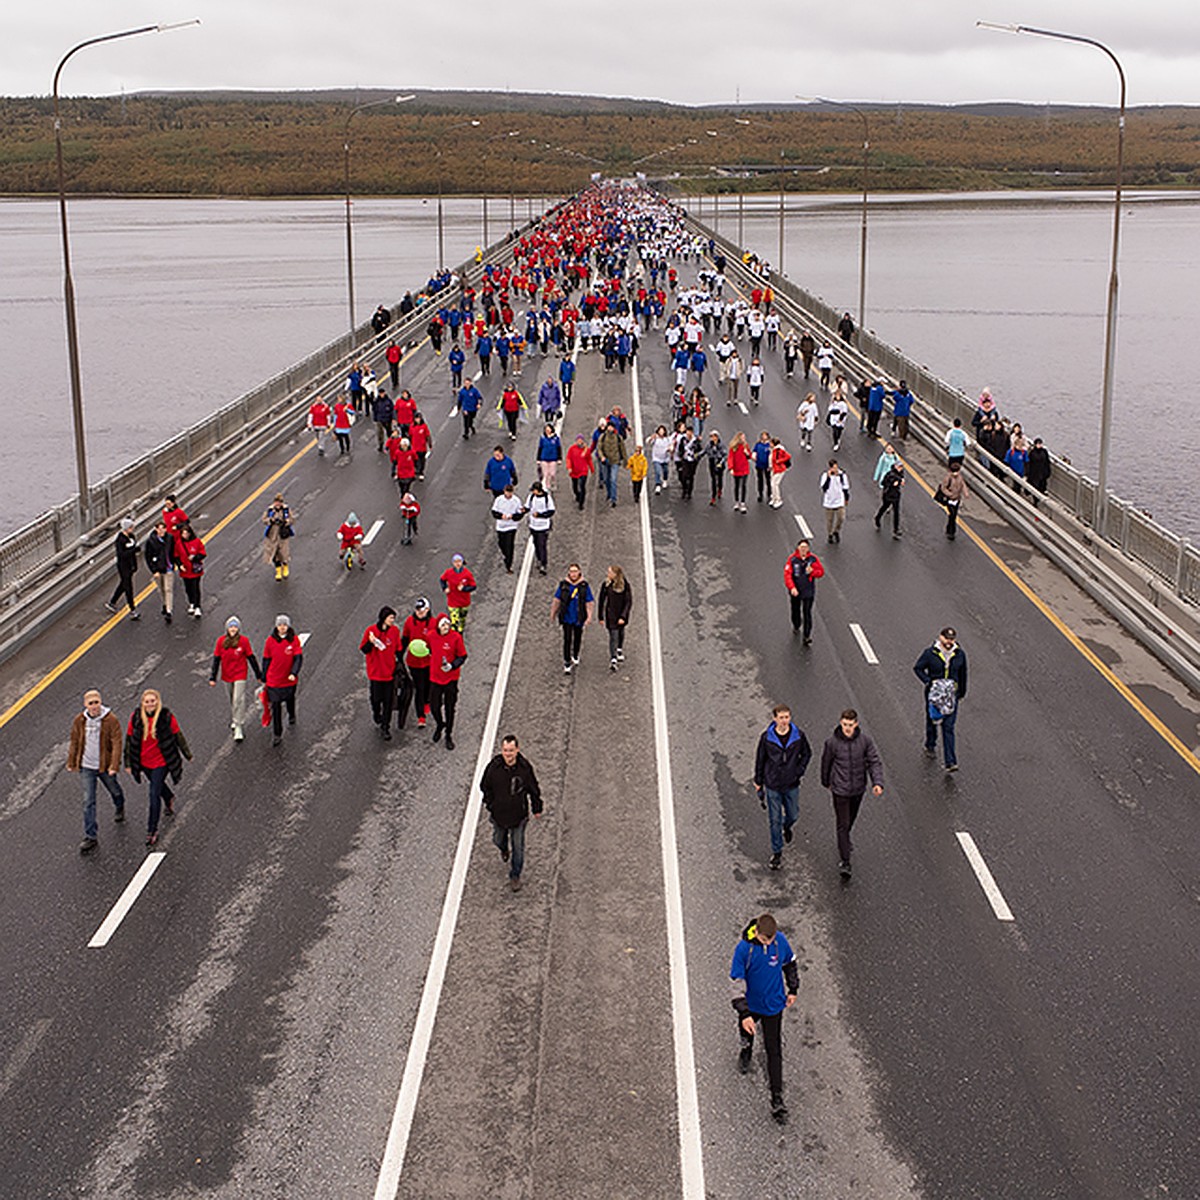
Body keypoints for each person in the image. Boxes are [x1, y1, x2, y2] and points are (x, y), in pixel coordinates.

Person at [730, 913, 798, 1125]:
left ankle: (777, 1099)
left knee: (774, 1050)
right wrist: (744, 1014)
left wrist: (793, 988)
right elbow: (736, 981)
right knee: (746, 1031)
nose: (768, 943)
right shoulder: (744, 949)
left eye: (771, 939)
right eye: (764, 939)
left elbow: (789, 963)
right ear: (757, 932)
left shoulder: (780, 942)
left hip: (774, 1006)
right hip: (751, 1006)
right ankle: (746, 1048)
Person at [820, 709, 884, 879]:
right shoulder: (832, 743)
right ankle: (845, 861)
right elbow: (826, 763)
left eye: (850, 725)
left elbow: (874, 762)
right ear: (841, 723)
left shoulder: (865, 742)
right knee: (843, 823)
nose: (847, 728)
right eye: (845, 724)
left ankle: (845, 841)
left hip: (857, 789)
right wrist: (826, 782)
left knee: (850, 822)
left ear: (856, 724)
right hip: (840, 790)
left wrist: (877, 782)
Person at [124, 688, 191, 847]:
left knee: (153, 794)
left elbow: (177, 736)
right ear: (143, 703)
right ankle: (168, 797)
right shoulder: (136, 718)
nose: (150, 704)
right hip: (144, 762)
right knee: (158, 786)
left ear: (158, 702)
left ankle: (152, 830)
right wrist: (128, 763)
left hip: (161, 761)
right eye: (147, 702)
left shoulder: (166, 717)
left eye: (152, 701)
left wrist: (187, 754)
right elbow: (129, 740)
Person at [480, 734, 543, 892]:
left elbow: (533, 789)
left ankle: (515, 875)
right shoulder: (494, 768)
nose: (508, 754)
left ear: (517, 750)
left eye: (511, 750)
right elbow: (484, 786)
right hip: (499, 815)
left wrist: (537, 808)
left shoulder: (524, 768)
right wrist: (491, 805)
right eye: (505, 750)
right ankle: (503, 849)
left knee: (519, 848)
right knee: (497, 839)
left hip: (518, 816)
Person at [753, 704, 813, 870]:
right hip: (773, 784)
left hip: (791, 784)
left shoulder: (798, 736)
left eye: (787, 717)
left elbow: (807, 754)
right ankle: (777, 852)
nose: (784, 720)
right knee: (774, 820)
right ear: (775, 719)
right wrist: (758, 780)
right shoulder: (766, 738)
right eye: (781, 717)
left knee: (793, 814)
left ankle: (787, 826)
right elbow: (760, 759)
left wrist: (798, 771)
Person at [68, 689, 126, 854]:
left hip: (104, 766)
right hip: (87, 767)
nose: (94, 706)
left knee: (114, 790)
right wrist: (72, 761)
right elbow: (74, 741)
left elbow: (116, 743)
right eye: (91, 703)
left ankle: (120, 805)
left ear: (101, 703)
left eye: (96, 702)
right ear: (85, 705)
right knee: (88, 801)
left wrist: (114, 766)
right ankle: (90, 836)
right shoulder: (79, 720)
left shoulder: (110, 720)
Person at [914, 626, 968, 772]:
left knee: (948, 726)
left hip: (951, 695)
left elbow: (963, 674)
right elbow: (918, 668)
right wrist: (928, 682)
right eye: (946, 639)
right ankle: (930, 743)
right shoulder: (930, 653)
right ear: (940, 637)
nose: (949, 642)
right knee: (932, 720)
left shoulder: (959, 655)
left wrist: (961, 692)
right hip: (934, 695)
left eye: (952, 639)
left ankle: (950, 761)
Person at [209, 615, 262, 743]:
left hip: (240, 674)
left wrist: (258, 674)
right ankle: (235, 718)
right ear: (227, 629)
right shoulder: (221, 642)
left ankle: (238, 726)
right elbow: (216, 660)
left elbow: (251, 658)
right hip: (227, 675)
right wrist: (213, 677)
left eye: (235, 627)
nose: (233, 629)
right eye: (231, 627)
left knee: (238, 699)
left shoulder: (244, 641)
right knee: (232, 699)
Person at [361, 606, 403, 740]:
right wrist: (371, 642)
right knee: (375, 699)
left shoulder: (395, 631)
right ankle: (376, 713)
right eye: (391, 618)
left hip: (389, 673)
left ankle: (386, 727)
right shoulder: (371, 631)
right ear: (384, 618)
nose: (393, 620)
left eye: (393, 618)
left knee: (388, 701)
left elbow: (398, 649)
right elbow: (364, 649)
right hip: (375, 673)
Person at [262, 615, 303, 747]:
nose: (282, 627)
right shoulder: (270, 641)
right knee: (276, 705)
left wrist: (293, 673)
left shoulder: (294, 640)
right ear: (276, 626)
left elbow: (298, 658)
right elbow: (266, 659)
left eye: (284, 625)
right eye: (280, 625)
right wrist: (264, 676)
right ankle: (277, 734)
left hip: (288, 679)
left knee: (290, 698)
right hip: (274, 680)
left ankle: (291, 714)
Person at [428, 612, 467, 751]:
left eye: (448, 624)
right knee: (434, 706)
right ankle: (440, 724)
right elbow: (427, 648)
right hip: (435, 678)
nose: (446, 627)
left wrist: (452, 666)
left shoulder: (455, 637)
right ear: (438, 626)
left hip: (451, 679)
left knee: (450, 708)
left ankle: (448, 735)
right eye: (443, 624)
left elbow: (462, 656)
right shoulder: (431, 636)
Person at [552, 562, 594, 675]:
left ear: (579, 572)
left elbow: (589, 602)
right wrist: (553, 613)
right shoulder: (564, 585)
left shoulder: (584, 586)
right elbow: (557, 600)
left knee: (577, 638)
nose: (573, 574)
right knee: (567, 639)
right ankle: (567, 661)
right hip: (567, 617)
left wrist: (589, 616)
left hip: (579, 618)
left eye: (575, 571)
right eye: (571, 571)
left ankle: (575, 654)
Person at [401, 598, 436, 729]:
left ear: (427, 610)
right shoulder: (409, 622)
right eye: (417, 610)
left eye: (421, 611)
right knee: (419, 688)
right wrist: (399, 654)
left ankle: (427, 701)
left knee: (428, 685)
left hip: (428, 661)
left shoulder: (433, 623)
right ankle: (420, 716)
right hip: (413, 662)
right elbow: (405, 639)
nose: (419, 613)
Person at [783, 539, 824, 644]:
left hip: (808, 592)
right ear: (798, 548)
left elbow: (821, 572)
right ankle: (796, 624)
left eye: (805, 547)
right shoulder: (792, 560)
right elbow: (787, 575)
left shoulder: (813, 559)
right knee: (795, 610)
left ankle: (807, 636)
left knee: (807, 613)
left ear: (808, 549)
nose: (803, 550)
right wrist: (792, 587)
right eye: (801, 547)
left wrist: (813, 572)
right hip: (796, 591)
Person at [597, 564, 633, 671]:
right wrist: (600, 616)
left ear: (615, 574)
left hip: (621, 613)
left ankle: (619, 648)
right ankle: (613, 659)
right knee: (613, 636)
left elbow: (628, 602)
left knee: (620, 633)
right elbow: (602, 600)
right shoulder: (606, 585)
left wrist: (623, 616)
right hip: (610, 615)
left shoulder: (625, 585)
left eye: (610, 572)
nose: (608, 574)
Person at [104, 517, 141, 620]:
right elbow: (121, 554)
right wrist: (133, 550)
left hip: (131, 565)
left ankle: (112, 602)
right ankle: (132, 609)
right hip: (123, 566)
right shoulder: (120, 540)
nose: (132, 529)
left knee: (123, 585)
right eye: (131, 527)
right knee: (128, 587)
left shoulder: (132, 536)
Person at [144, 518, 174, 624]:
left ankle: (169, 611)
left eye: (163, 529)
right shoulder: (151, 541)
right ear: (156, 530)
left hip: (168, 567)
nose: (161, 531)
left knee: (168, 589)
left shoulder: (170, 538)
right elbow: (148, 557)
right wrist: (154, 570)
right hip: (158, 569)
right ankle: (165, 604)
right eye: (159, 529)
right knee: (161, 589)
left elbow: (173, 552)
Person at [173, 521, 206, 617]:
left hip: (195, 570)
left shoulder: (196, 542)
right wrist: (180, 565)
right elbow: (176, 556)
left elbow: (203, 554)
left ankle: (197, 606)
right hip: (185, 570)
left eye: (186, 533)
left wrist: (195, 557)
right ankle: (191, 602)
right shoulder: (179, 544)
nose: (185, 535)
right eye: (183, 533)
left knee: (195, 587)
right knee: (188, 588)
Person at [492, 483, 525, 575]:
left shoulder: (516, 500)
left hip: (511, 526)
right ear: (504, 491)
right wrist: (501, 516)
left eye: (510, 492)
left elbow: (520, 514)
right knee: (501, 543)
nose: (509, 494)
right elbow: (494, 512)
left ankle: (508, 565)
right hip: (501, 526)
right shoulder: (499, 500)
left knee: (509, 545)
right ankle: (506, 555)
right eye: (507, 492)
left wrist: (512, 516)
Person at [439, 554, 477, 631]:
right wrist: (445, 588)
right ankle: (455, 634)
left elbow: (473, 586)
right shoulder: (448, 572)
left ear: (462, 562)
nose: (457, 564)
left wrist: (464, 588)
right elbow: (442, 580)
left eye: (459, 561)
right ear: (453, 563)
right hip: (452, 601)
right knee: (454, 621)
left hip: (464, 601)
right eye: (455, 562)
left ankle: (461, 628)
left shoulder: (467, 574)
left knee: (462, 618)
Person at [525, 481, 555, 575]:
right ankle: (539, 558)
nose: (533, 492)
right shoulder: (531, 497)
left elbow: (551, 511)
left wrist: (540, 515)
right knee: (536, 544)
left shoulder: (547, 498)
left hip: (543, 526)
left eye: (534, 490)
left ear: (538, 490)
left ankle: (543, 563)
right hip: (533, 525)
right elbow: (527, 507)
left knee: (542, 545)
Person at [262, 493, 293, 582]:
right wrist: (271, 520)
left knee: (284, 553)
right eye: (276, 502)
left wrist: (286, 522)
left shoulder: (286, 510)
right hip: (272, 536)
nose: (277, 504)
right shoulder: (270, 510)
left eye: (279, 502)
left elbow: (292, 519)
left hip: (283, 535)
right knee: (275, 555)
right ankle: (278, 571)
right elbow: (264, 519)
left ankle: (285, 567)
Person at [596, 419, 627, 508]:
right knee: (606, 479)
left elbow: (622, 449)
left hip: (615, 461)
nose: (610, 428)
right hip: (605, 462)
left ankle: (613, 498)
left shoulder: (618, 437)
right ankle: (609, 494)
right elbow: (599, 448)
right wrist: (602, 457)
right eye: (609, 427)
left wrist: (625, 461)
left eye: (611, 427)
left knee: (613, 479)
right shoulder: (602, 437)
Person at [819, 460, 849, 542]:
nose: (835, 469)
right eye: (833, 468)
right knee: (830, 520)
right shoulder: (825, 475)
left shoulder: (842, 475)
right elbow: (824, 488)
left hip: (839, 500)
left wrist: (846, 498)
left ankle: (836, 530)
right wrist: (829, 478)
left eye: (836, 467)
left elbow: (845, 487)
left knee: (841, 518)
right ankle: (830, 534)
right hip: (829, 500)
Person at [938, 461, 969, 540]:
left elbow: (963, 484)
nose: (956, 474)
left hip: (957, 499)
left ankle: (949, 529)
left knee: (954, 515)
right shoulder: (948, 478)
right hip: (950, 500)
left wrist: (965, 493)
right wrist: (949, 494)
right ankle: (951, 532)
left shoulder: (960, 477)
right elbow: (943, 488)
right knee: (952, 515)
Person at [874, 461, 905, 538]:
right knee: (884, 507)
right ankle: (877, 518)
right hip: (888, 495)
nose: (900, 468)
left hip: (896, 495)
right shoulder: (890, 474)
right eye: (898, 467)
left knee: (896, 512)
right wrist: (892, 484)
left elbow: (900, 481)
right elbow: (883, 483)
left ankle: (896, 530)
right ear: (895, 466)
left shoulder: (900, 474)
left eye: (901, 467)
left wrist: (899, 482)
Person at [566, 434, 594, 510]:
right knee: (574, 487)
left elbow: (589, 460)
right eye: (578, 440)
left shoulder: (586, 450)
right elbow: (568, 458)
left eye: (581, 440)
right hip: (574, 471)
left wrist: (592, 469)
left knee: (582, 486)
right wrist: (569, 467)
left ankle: (581, 503)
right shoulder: (572, 449)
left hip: (583, 471)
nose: (579, 442)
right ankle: (577, 495)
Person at [727, 431, 751, 512]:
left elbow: (749, 456)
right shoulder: (733, 447)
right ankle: (737, 502)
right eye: (742, 437)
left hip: (744, 468)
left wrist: (747, 453)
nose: (744, 439)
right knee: (736, 486)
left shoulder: (745, 446)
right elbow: (730, 457)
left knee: (743, 485)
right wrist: (731, 468)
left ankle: (743, 503)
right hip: (737, 469)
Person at [768, 437, 791, 509]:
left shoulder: (779, 450)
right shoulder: (773, 450)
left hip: (779, 469)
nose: (769, 444)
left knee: (775, 484)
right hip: (774, 469)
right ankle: (774, 498)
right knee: (773, 484)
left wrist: (779, 461)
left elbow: (788, 456)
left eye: (770, 443)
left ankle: (778, 499)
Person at [752, 431, 772, 503]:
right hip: (759, 465)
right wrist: (754, 456)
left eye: (765, 436)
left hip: (767, 466)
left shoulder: (769, 445)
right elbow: (754, 451)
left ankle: (769, 494)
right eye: (763, 436)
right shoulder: (758, 444)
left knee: (768, 480)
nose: (764, 437)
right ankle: (760, 494)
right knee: (760, 480)